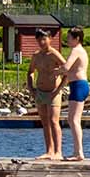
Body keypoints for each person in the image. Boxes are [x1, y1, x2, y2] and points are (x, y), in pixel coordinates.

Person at [25, 30, 66, 160]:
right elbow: (30, 72)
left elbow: (67, 71)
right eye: (39, 40)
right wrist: (31, 88)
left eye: (44, 39)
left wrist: (59, 89)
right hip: (40, 92)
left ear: (50, 39)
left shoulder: (54, 54)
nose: (42, 43)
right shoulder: (36, 55)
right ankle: (49, 150)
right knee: (45, 122)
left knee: (54, 121)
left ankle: (58, 152)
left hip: (53, 92)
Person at [62, 27, 90, 161]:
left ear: (77, 38)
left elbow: (66, 67)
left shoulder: (76, 50)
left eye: (69, 37)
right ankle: (77, 151)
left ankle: (78, 153)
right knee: (72, 119)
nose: (67, 40)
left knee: (73, 120)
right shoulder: (82, 51)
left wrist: (55, 72)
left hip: (79, 85)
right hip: (78, 85)